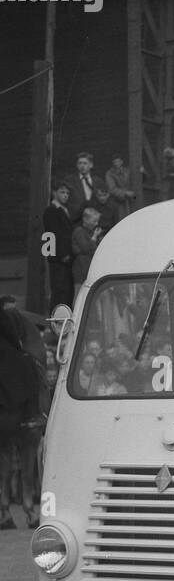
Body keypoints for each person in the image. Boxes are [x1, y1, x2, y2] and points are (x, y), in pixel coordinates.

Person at [0, 307, 44, 528]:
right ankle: (29, 509)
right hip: (18, 409)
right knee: (29, 367)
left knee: (4, 462)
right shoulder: (9, 318)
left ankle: (4, 510)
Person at [43, 183, 76, 309]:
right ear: (54, 193)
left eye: (67, 193)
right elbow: (53, 233)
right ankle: (56, 321)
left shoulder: (65, 210)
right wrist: (62, 254)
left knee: (67, 290)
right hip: (59, 258)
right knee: (59, 290)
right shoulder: (51, 210)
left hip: (67, 257)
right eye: (62, 192)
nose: (65, 196)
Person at [71, 207, 103, 294]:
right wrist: (94, 238)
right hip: (81, 268)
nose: (96, 224)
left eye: (97, 221)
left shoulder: (90, 232)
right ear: (85, 220)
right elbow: (86, 248)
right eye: (94, 221)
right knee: (79, 293)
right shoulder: (79, 232)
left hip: (89, 268)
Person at [65, 152, 103, 222]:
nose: (82, 166)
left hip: (95, 218)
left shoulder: (98, 181)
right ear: (77, 165)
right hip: (76, 219)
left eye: (85, 163)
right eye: (80, 163)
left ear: (91, 165)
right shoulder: (70, 180)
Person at [104, 153, 136, 222]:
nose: (116, 164)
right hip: (118, 203)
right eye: (114, 162)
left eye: (118, 161)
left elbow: (138, 180)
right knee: (121, 221)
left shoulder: (128, 171)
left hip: (131, 201)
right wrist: (125, 193)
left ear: (122, 162)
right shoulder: (109, 174)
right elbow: (112, 189)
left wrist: (142, 172)